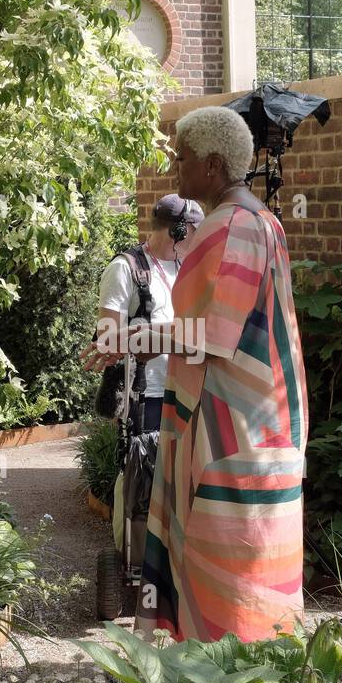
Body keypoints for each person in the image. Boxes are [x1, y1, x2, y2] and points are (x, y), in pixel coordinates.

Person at [83, 105, 309, 642]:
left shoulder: (232, 227)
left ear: (211, 166)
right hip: (254, 419)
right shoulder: (261, 221)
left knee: (232, 569)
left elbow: (216, 335)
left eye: (181, 159)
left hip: (236, 430)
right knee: (245, 559)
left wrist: (136, 338)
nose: (173, 169)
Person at [95, 194, 202, 431]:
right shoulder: (124, 268)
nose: (201, 239)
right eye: (197, 231)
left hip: (186, 391)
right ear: (180, 231)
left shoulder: (186, 267)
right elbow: (108, 338)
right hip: (145, 395)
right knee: (147, 468)